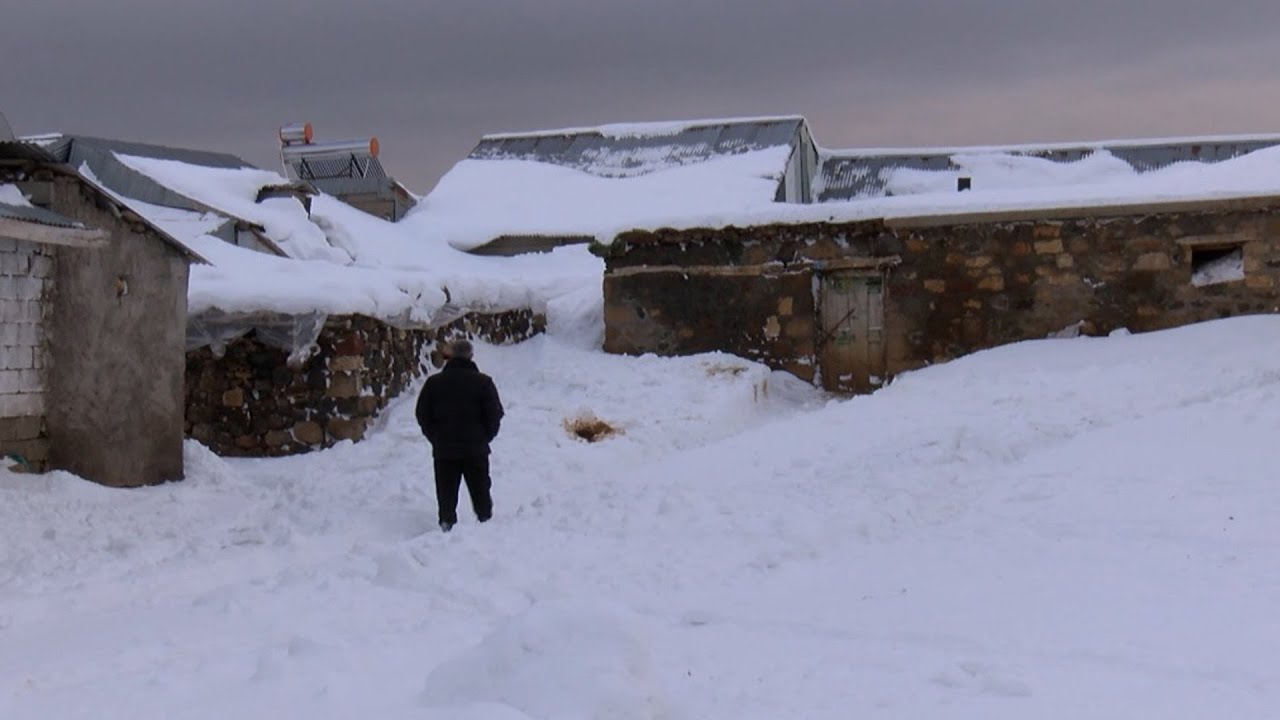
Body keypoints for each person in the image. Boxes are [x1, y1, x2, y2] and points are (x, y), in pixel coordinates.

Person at [415, 339, 504, 532]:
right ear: (471, 357)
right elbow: (495, 414)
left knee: (446, 494)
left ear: (449, 357)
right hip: (476, 449)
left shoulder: (433, 384)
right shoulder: (483, 382)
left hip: (444, 450)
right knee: (480, 492)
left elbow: (422, 414)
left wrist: (435, 438)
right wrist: (484, 437)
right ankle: (486, 524)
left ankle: (447, 526)